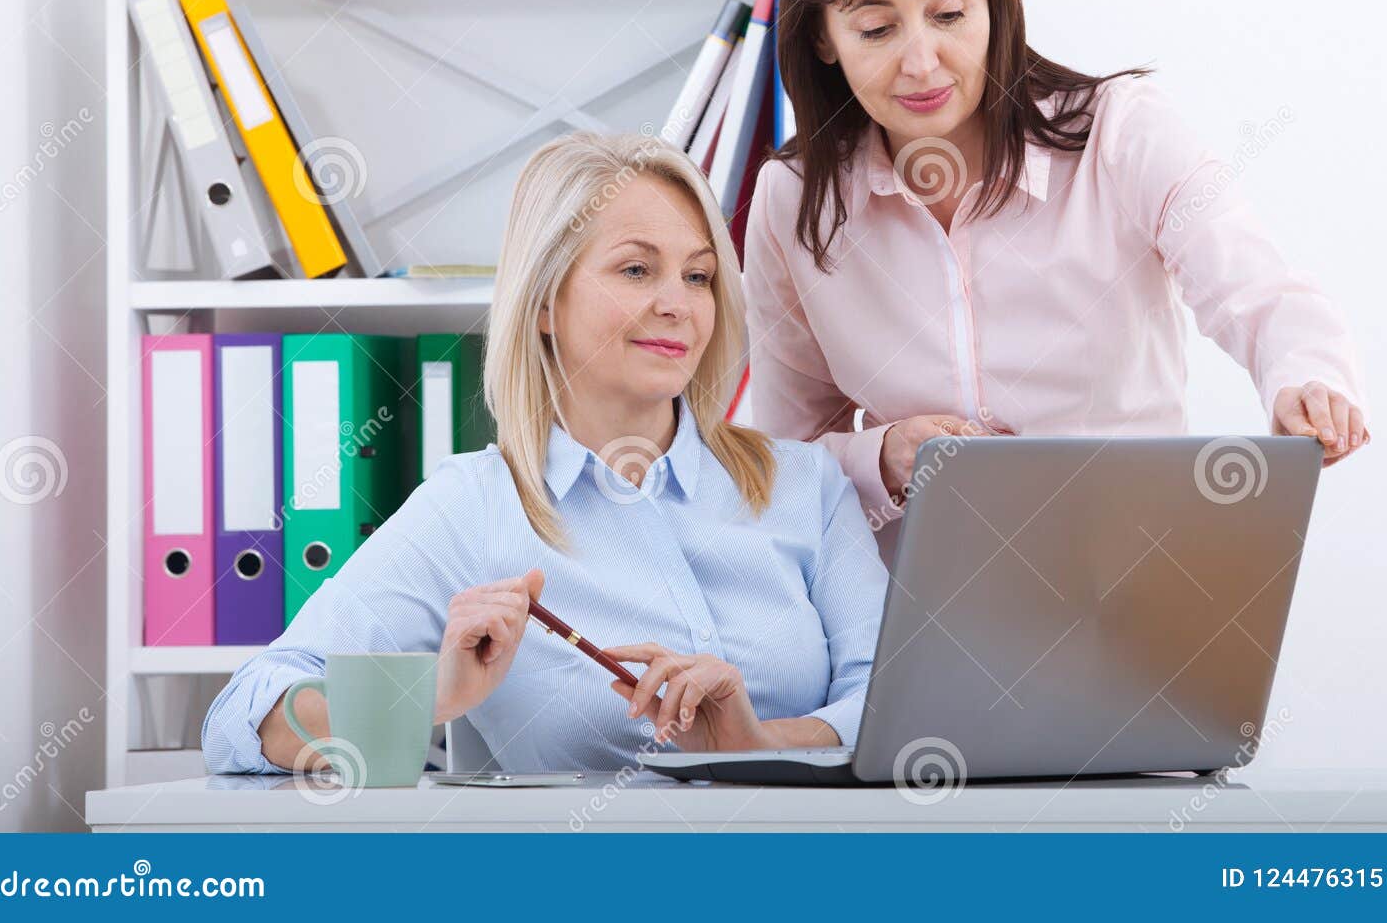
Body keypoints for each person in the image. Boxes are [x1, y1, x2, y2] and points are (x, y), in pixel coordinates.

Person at [744, 0, 1370, 558]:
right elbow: (785, 460)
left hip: (1135, 574)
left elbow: (1257, 290)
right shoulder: (794, 199)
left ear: (994, 5)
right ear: (823, 39)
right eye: (877, 29)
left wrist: (1306, 381)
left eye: (948, 13)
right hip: (920, 601)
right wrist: (881, 457)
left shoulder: (1119, 132)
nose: (922, 62)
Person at [202, 132, 887, 774]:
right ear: (544, 302)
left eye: (699, 276)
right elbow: (244, 709)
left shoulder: (807, 486)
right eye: (637, 268)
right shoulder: (474, 507)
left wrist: (759, 745)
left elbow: (894, 705)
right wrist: (426, 697)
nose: (677, 303)